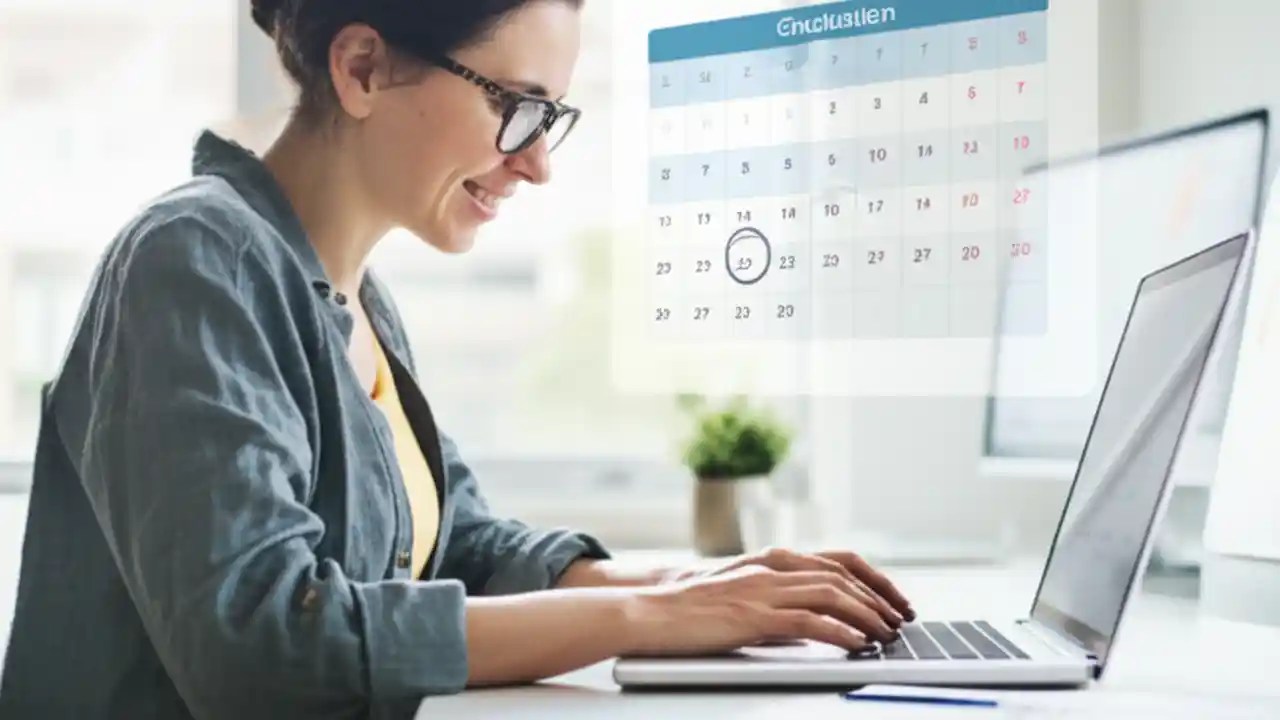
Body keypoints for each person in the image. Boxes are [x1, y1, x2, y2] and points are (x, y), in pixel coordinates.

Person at [0, 1, 915, 718]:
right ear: (361, 68)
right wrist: (650, 619)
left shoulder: (352, 293)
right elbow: (264, 646)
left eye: (550, 118)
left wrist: (698, 585)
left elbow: (458, 545)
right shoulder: (195, 258)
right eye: (516, 107)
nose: (538, 165)